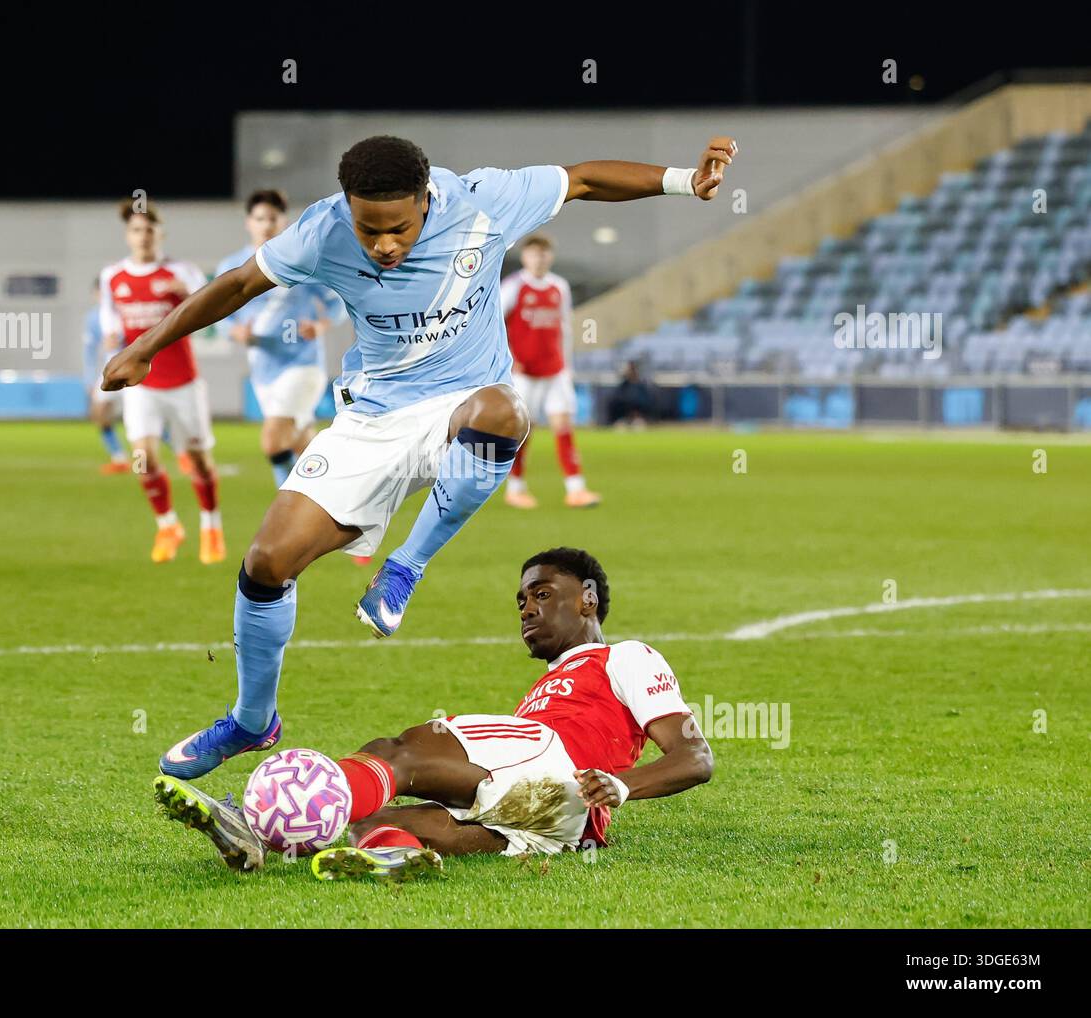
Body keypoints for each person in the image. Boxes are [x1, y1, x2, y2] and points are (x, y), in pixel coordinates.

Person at [103, 134, 738, 778]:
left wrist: (686, 179)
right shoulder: (322, 230)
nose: (382, 244)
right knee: (267, 563)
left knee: (505, 411)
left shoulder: (484, 200)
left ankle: (405, 567)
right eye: (368, 229)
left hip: (464, 400)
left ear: (428, 197)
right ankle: (250, 719)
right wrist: (147, 345)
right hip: (373, 417)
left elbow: (582, 180)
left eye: (398, 228)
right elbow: (239, 283)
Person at [152, 547, 713, 881]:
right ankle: (389, 852)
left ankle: (252, 824)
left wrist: (621, 784)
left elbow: (694, 758)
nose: (527, 608)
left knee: (400, 752)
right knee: (371, 824)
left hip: (555, 762)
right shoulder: (547, 687)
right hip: (566, 828)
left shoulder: (625, 656)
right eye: (521, 601)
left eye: (542, 593)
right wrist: (609, 788)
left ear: (588, 598)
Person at [99, 198, 224, 565]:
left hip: (184, 382)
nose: (143, 236)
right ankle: (168, 525)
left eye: (150, 229)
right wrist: (110, 339)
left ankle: (211, 526)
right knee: (143, 458)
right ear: (128, 235)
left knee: (200, 460)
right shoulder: (113, 277)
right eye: (137, 229)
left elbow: (211, 311)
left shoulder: (182, 271)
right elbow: (110, 320)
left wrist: (185, 295)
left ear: (160, 233)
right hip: (143, 386)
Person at [216, 189, 345, 488]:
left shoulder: (299, 260)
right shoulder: (232, 266)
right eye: (260, 218)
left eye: (272, 218)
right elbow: (221, 314)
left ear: (283, 221)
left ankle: (290, 501)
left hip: (302, 363)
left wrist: (321, 325)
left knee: (272, 441)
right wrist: (235, 332)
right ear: (249, 222)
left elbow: (337, 301)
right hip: (263, 367)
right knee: (301, 442)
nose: (266, 225)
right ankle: (326, 495)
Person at [500, 235, 600, 508]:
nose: (539, 258)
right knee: (523, 431)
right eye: (534, 254)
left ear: (550, 256)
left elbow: (565, 327)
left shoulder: (559, 286)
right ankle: (516, 488)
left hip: (555, 369)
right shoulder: (513, 287)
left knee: (563, 426)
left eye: (543, 254)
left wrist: (567, 365)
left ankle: (576, 489)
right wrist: (507, 360)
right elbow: (493, 324)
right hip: (524, 372)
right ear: (525, 257)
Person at [83, 278, 129, 473]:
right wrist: (90, 379)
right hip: (110, 370)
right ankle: (119, 458)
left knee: (143, 419)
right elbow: (89, 351)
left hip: (133, 369)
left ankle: (183, 455)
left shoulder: (127, 313)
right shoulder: (93, 318)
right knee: (99, 413)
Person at [607, 360, 659, 427]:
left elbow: (649, 403)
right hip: (623, 418)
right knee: (621, 428)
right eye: (630, 370)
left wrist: (638, 413)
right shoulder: (622, 387)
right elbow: (615, 403)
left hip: (640, 418)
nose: (631, 372)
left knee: (638, 426)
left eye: (633, 369)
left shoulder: (642, 387)